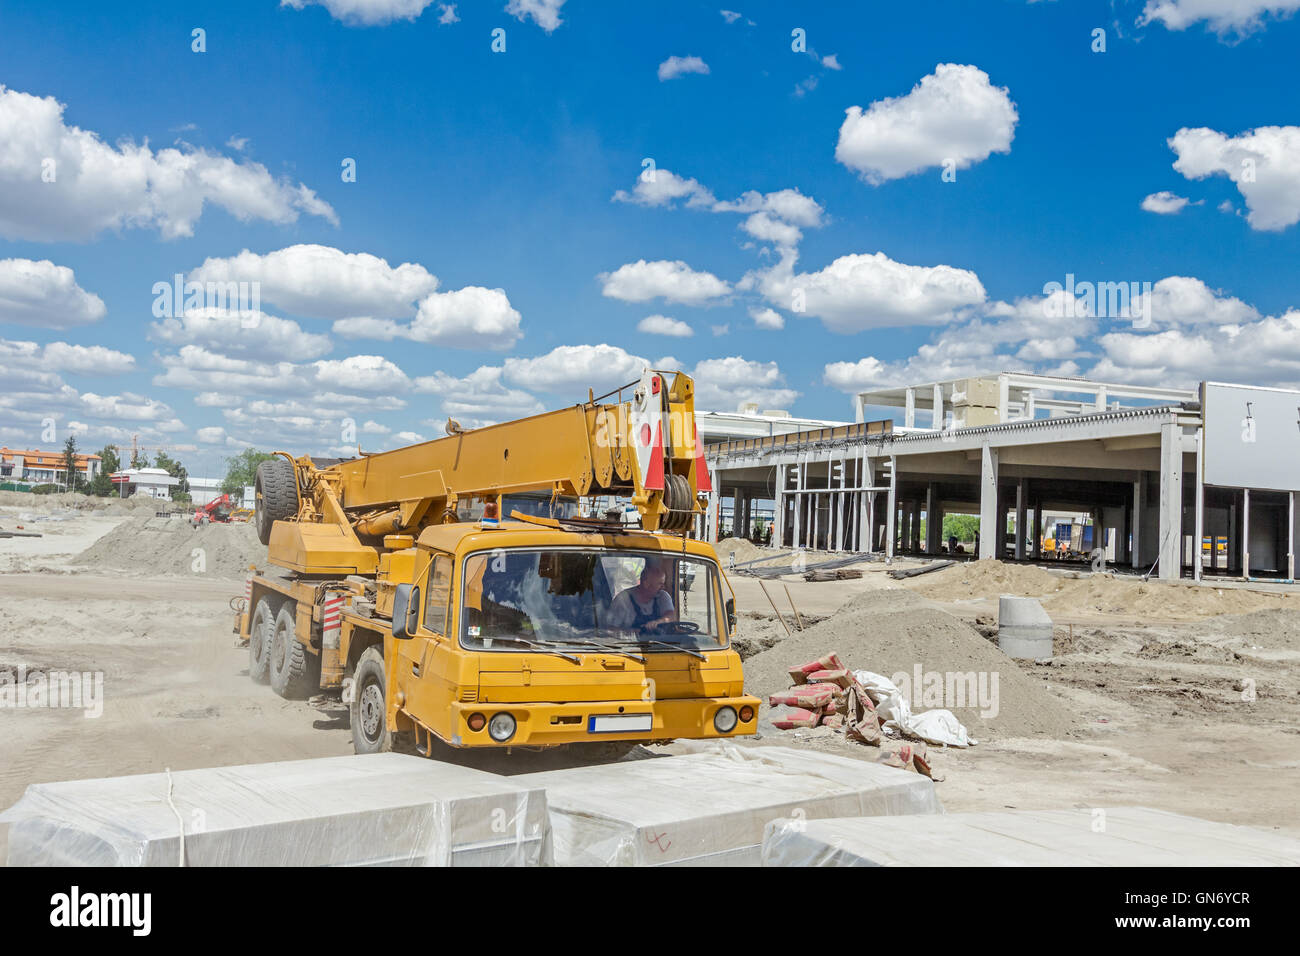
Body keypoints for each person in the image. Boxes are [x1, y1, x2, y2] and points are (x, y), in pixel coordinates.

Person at [608, 562, 675, 632]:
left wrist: (659, 622)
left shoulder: (662, 596)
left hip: (660, 642)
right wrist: (631, 632)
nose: (663, 587)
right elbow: (610, 629)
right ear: (646, 584)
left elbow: (671, 616)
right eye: (660, 584)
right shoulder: (623, 599)